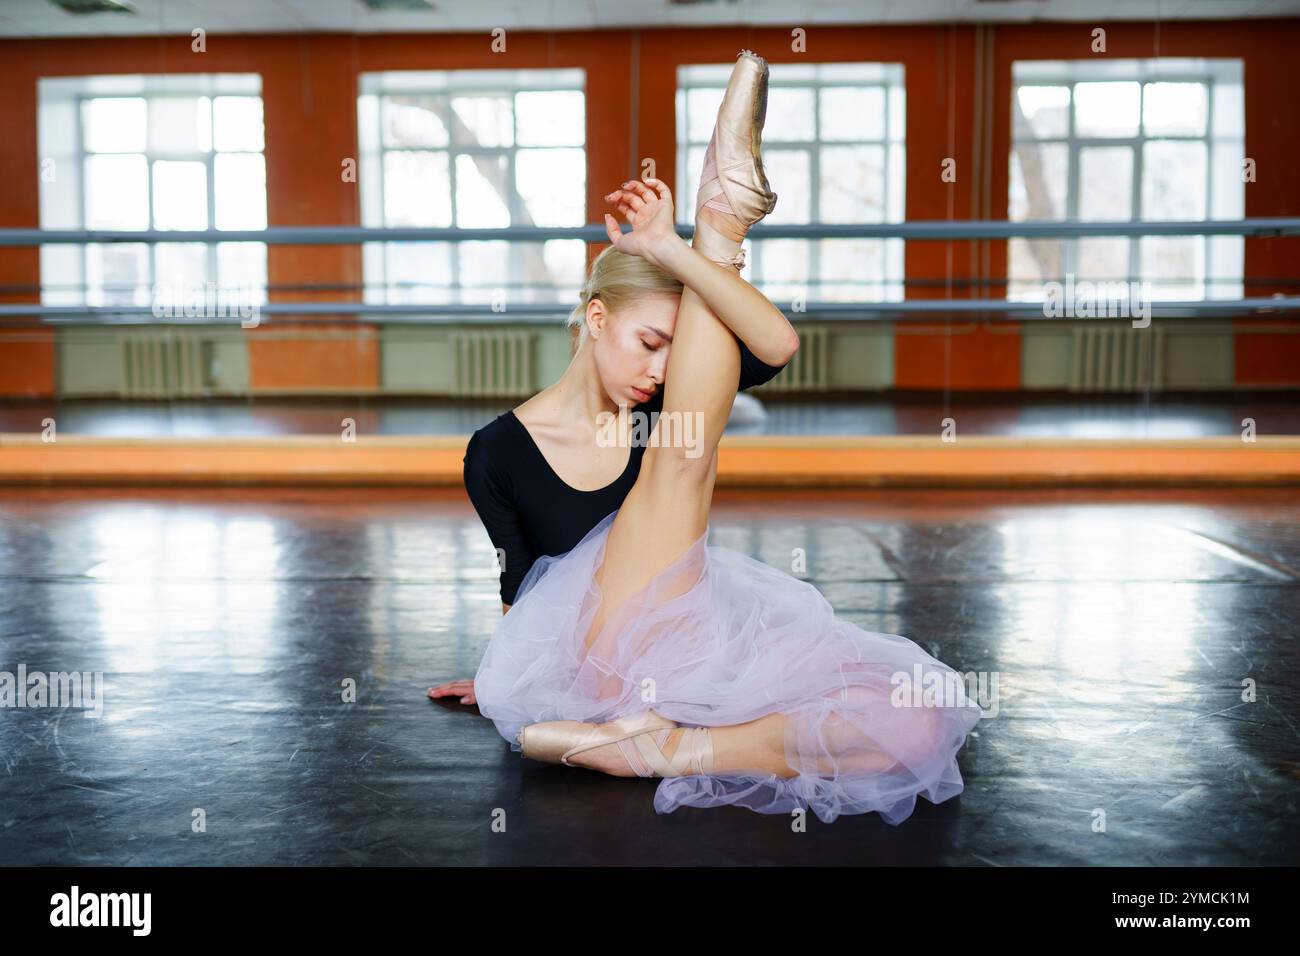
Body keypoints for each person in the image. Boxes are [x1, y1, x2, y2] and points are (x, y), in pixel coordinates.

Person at [462, 50, 982, 825]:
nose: (659, 369)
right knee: (682, 449)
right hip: (597, 659)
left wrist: (665, 252)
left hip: (694, 635)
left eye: (677, 349)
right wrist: (506, 675)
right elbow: (523, 586)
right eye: (648, 342)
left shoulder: (674, 392)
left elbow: (775, 345)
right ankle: (724, 221)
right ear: (596, 318)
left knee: (920, 718)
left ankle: (661, 749)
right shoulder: (497, 452)